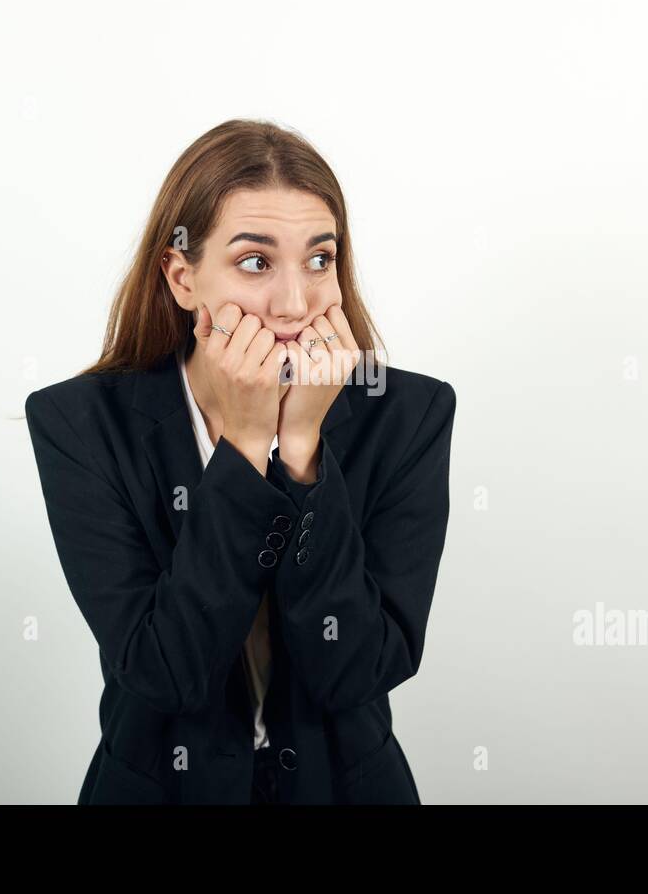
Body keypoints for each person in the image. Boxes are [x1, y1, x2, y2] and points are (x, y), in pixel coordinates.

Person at [24, 119, 456, 803]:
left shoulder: (407, 417)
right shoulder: (81, 425)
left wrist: (306, 454)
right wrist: (248, 448)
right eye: (256, 262)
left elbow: (356, 670)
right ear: (182, 276)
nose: (295, 302)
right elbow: (166, 673)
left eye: (320, 260)